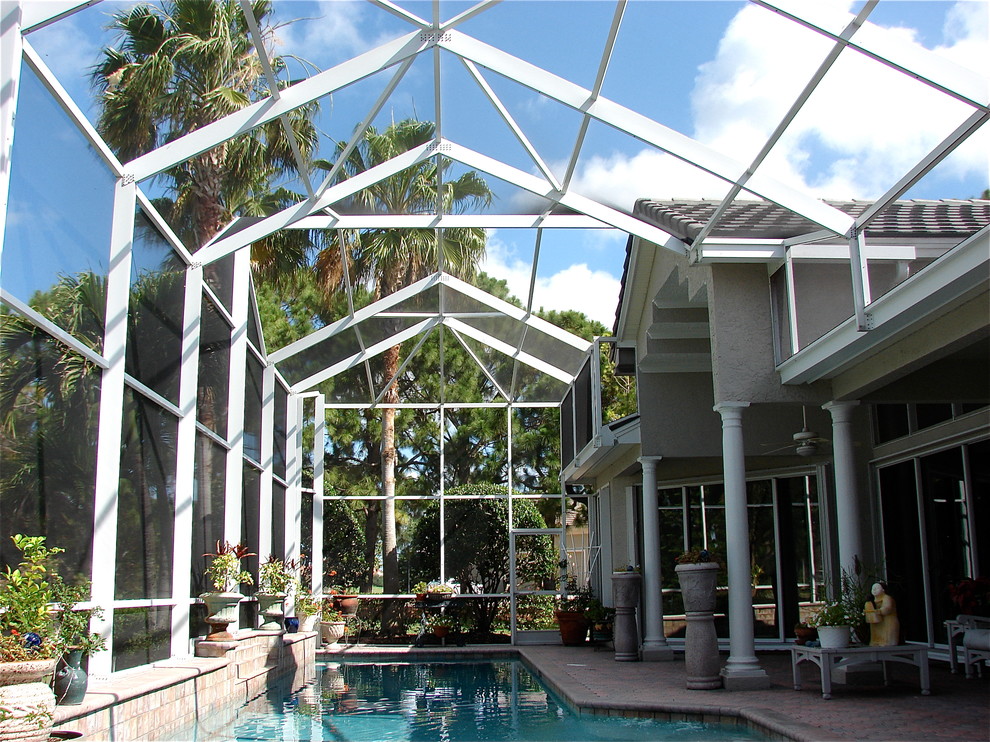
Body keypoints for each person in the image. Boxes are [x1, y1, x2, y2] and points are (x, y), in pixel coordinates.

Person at [864, 582, 900, 646]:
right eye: (873, 588)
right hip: (877, 621)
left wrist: (878, 611)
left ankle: (887, 642)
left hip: (888, 620)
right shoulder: (872, 600)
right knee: (876, 633)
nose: (874, 590)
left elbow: (887, 608)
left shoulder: (887, 598)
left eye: (877, 588)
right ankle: (876, 641)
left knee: (887, 634)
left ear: (883, 590)